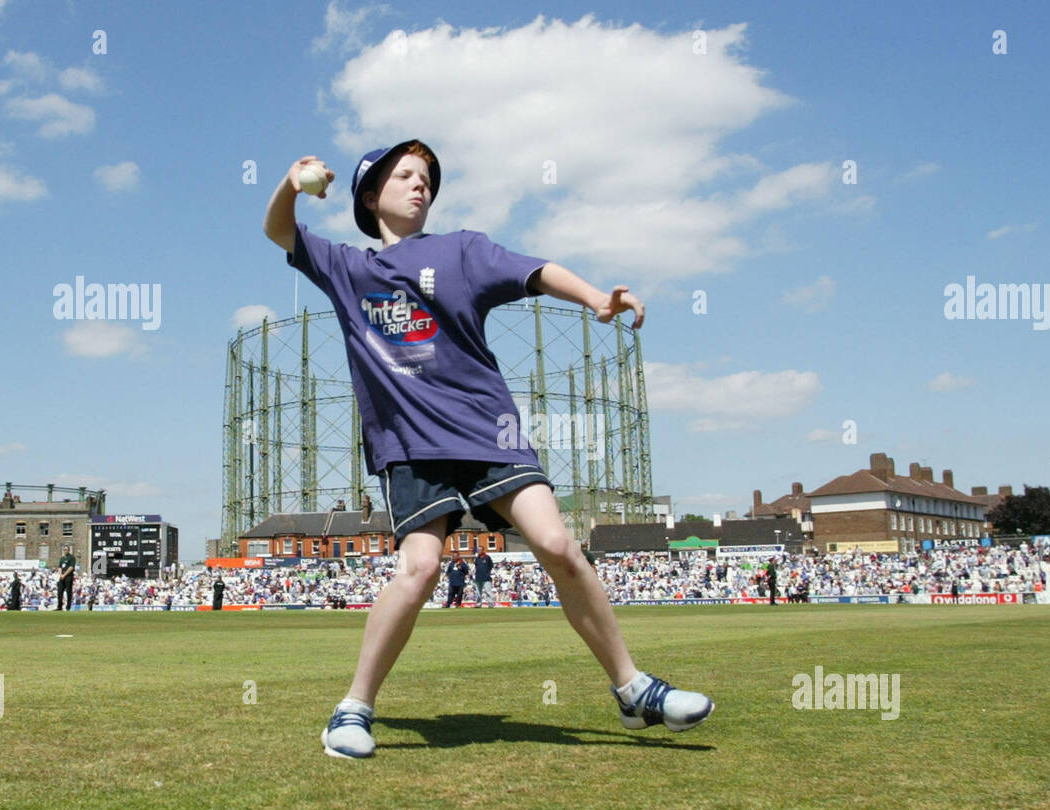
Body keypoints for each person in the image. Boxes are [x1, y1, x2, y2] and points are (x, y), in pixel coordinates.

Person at [264, 138, 714, 759]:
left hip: (486, 430)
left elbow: (535, 270)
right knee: (418, 569)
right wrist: (290, 184)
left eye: (427, 177)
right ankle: (352, 710)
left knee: (557, 543)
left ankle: (633, 690)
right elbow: (278, 229)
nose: (420, 185)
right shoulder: (348, 267)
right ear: (371, 198)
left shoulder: (462, 250)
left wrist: (593, 299)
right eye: (405, 176)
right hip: (412, 446)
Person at [56, 546, 76, 611]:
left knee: (68, 591)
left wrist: (64, 575)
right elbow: (60, 567)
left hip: (68, 576)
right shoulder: (62, 558)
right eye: (64, 550)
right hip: (62, 576)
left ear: (69, 550)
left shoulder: (72, 558)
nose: (65, 551)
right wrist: (60, 574)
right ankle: (59, 606)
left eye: (66, 550)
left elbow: (71, 567)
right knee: (59, 591)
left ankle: (68, 607)